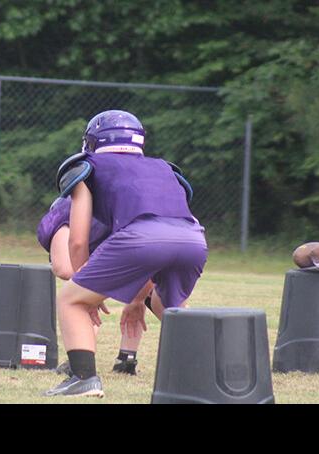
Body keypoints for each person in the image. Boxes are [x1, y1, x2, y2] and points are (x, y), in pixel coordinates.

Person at [43, 110, 208, 397]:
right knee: (171, 307)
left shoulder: (87, 167)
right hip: (193, 239)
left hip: (141, 236)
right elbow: (169, 225)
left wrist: (86, 288)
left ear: (93, 141)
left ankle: (83, 378)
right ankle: (212, 371)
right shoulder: (164, 168)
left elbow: (78, 240)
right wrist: (138, 298)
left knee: (71, 300)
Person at [37, 196, 168, 376]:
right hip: (161, 238)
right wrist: (93, 289)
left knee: (77, 299)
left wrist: (93, 289)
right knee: (83, 299)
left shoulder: (62, 218)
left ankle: (88, 360)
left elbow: (64, 269)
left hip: (142, 240)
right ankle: (122, 359)